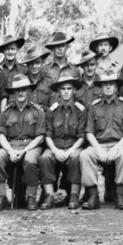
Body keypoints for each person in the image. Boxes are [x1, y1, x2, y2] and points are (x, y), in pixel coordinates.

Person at [0, 74, 46, 212]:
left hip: (31, 146)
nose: (20, 93)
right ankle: (1, 198)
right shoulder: (6, 111)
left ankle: (31, 197)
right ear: (13, 93)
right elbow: (2, 136)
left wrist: (25, 150)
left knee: (31, 161)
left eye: (24, 89)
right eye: (18, 90)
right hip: (11, 146)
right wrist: (10, 151)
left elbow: (40, 138)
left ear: (29, 91)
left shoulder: (38, 111)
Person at [80, 70, 123, 210]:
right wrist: (99, 150)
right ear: (101, 87)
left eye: (111, 84)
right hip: (99, 145)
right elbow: (89, 132)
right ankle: (93, 195)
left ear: (117, 87)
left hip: (119, 144)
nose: (108, 87)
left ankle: (120, 194)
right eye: (105, 84)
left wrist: (116, 148)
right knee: (85, 155)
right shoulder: (94, 106)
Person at [38, 71, 87, 210]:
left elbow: (82, 136)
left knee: (77, 157)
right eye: (63, 89)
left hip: (73, 146)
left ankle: (74, 196)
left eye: (69, 89)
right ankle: (49, 196)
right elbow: (47, 134)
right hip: (55, 146)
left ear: (74, 90)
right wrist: (54, 150)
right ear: (58, 91)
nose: (66, 92)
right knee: (45, 158)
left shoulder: (81, 111)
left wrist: (71, 150)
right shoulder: (51, 111)